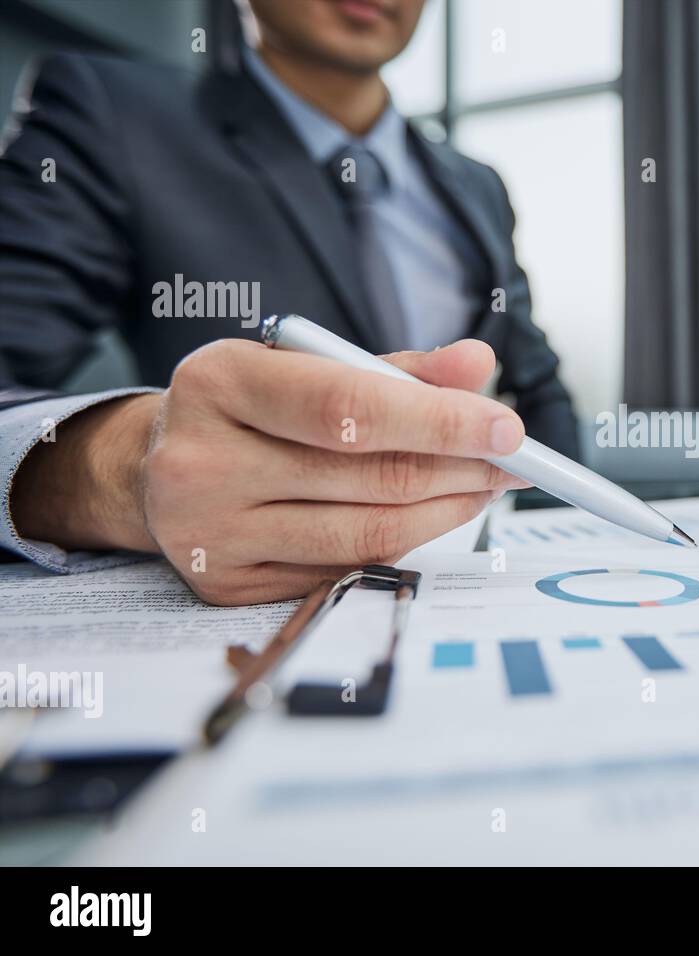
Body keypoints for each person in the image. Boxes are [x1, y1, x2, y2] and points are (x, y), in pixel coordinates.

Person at [0, 0, 577, 604]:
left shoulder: (476, 186)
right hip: (270, 599)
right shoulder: (115, 114)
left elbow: (538, 383)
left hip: (468, 587)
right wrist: (118, 473)